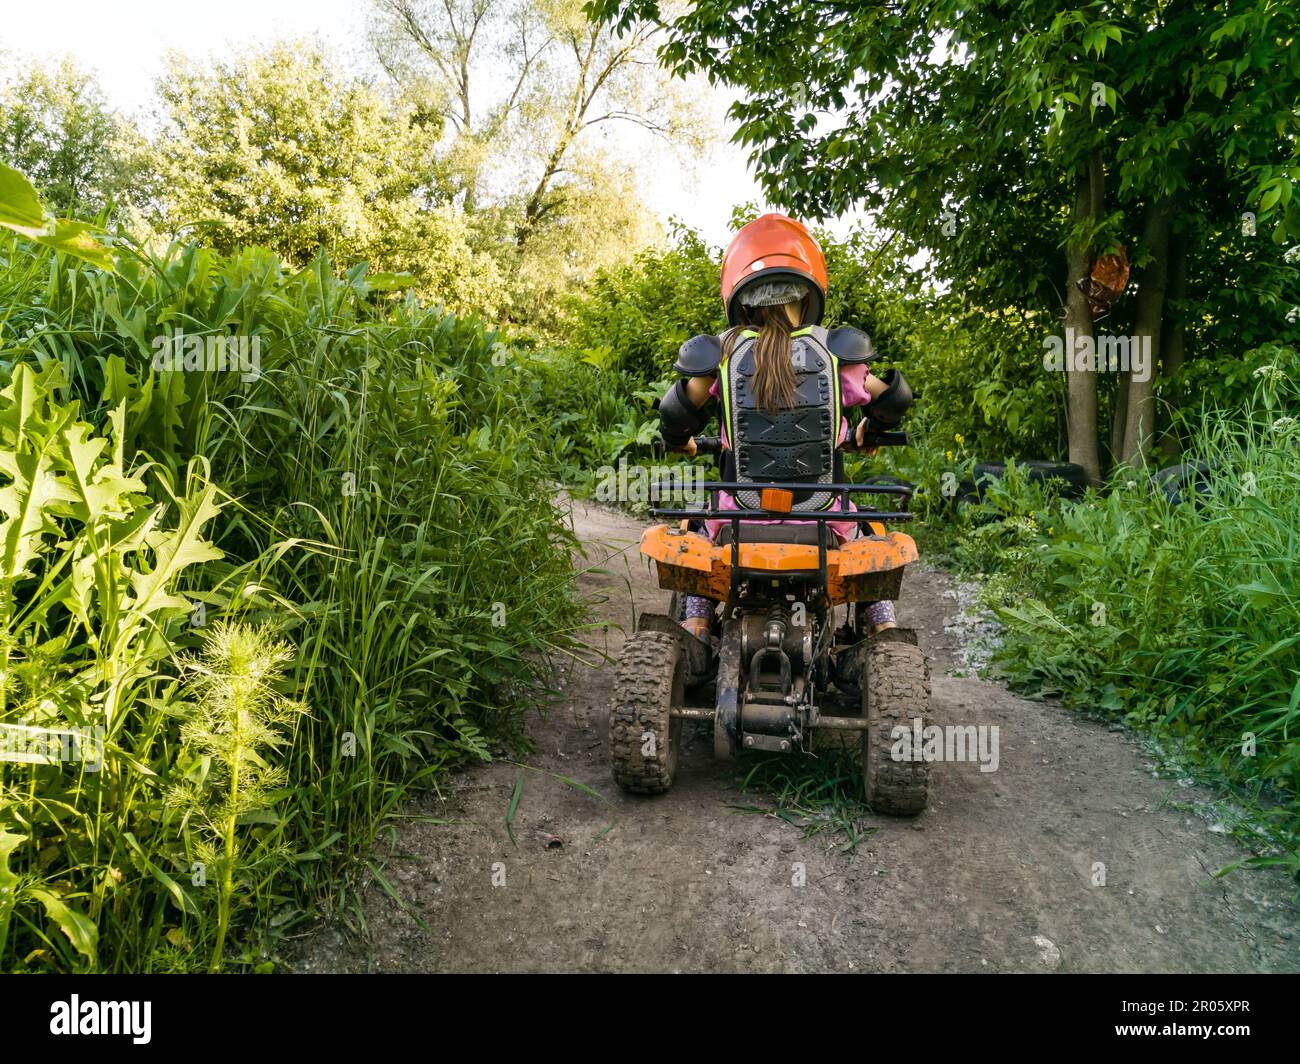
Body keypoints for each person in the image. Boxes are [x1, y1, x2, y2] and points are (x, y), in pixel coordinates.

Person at [657, 212, 914, 641]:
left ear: (741, 295)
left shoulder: (724, 351)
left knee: (697, 534)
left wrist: (681, 442)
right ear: (809, 289)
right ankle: (883, 628)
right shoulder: (835, 353)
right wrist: (870, 427)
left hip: (738, 519)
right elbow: (893, 398)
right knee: (871, 535)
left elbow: (676, 412)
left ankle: (697, 624)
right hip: (822, 523)